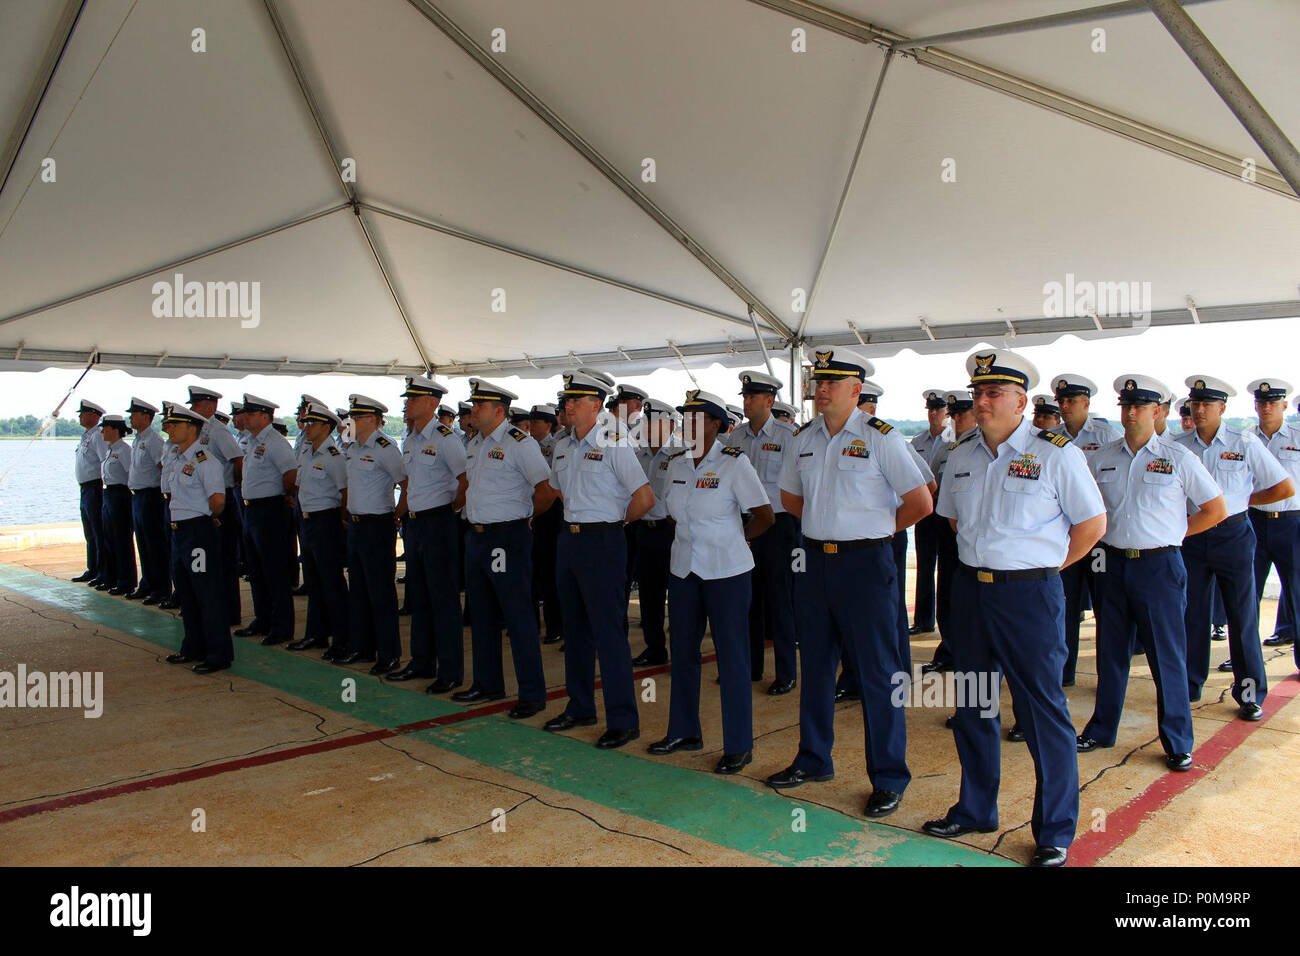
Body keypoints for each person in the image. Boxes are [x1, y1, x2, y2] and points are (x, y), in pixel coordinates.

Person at [924, 349, 1106, 868]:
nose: (982, 401)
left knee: (1041, 712)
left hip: (1029, 597)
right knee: (975, 706)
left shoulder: (1056, 453)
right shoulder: (961, 455)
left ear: (1021, 401)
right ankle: (976, 808)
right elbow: (955, 522)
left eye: (994, 393)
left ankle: (1053, 832)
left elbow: (1092, 527)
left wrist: (1043, 569)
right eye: (978, 392)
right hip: (972, 594)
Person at [767, 348, 930, 822]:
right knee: (816, 665)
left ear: (856, 390)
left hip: (866, 565)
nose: (820, 390)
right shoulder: (803, 439)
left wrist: (874, 530)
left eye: (831, 383)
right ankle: (813, 759)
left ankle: (888, 777)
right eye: (818, 382)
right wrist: (828, 527)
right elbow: (791, 497)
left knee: (879, 674)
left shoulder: (883, 438)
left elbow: (919, 502)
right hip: (816, 563)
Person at [1077, 376, 1225, 771]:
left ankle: (1177, 740)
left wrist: (1175, 535)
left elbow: (1215, 509)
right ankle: (1101, 728)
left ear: (1157, 411)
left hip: (1159, 566)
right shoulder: (1101, 456)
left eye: (1140, 406)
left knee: (1167, 655)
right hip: (1110, 563)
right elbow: (1087, 508)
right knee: (1111, 651)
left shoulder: (1179, 458)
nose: (1130, 412)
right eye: (1125, 405)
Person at [648, 389, 773, 772]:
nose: (686, 424)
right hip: (685, 571)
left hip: (726, 573)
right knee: (682, 652)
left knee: (732, 659)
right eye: (684, 417)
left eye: (695, 418)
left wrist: (735, 539)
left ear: (716, 425)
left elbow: (764, 515)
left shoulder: (734, 463)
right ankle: (684, 731)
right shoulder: (677, 464)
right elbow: (672, 512)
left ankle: (738, 744)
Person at [544, 370, 655, 748]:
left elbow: (644, 498)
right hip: (570, 541)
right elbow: (557, 490)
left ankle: (624, 720)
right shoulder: (563, 444)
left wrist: (611, 524)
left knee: (609, 634)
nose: (567, 405)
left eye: (575, 400)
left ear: (596, 404)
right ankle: (579, 707)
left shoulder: (614, 441)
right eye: (567, 399)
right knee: (575, 631)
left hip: (604, 543)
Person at [1174, 375, 1293, 719]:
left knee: (1242, 617)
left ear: (1222, 408)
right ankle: (1191, 683)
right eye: (1195, 404)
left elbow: (1283, 488)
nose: (1199, 410)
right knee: (1191, 615)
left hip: (1233, 536)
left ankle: (1250, 692)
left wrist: (1240, 501)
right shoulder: (1179, 444)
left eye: (1207, 404)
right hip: (1192, 536)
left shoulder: (1243, 442)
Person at [456, 379, 554, 717]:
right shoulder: (475, 444)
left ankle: (532, 693)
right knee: (481, 612)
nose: (473, 411)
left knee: (516, 614)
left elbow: (547, 488)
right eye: (473, 405)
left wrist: (526, 518)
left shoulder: (519, 444)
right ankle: (487, 684)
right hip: (477, 536)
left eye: (479, 406)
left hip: (505, 539)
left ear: (499, 411)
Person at [390, 376, 468, 693]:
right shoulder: (410, 440)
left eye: (414, 398)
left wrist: (449, 512)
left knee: (444, 599)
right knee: (419, 595)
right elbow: (409, 484)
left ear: (432, 403)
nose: (407, 402)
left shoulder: (446, 439)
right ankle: (421, 662)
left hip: (439, 522)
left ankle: (449, 671)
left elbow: (465, 480)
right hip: (415, 523)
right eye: (407, 398)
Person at [726, 370, 799, 694]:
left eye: (753, 396)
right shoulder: (736, 437)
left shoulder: (788, 436)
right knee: (747, 598)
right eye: (744, 396)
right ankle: (752, 667)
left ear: (769, 401)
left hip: (779, 526)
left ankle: (785, 672)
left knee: (780, 597)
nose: (747, 401)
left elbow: (801, 484)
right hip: (745, 523)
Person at [1050, 374, 1121, 687]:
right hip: (1065, 537)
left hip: (1099, 540)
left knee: (1104, 605)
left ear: (1086, 403)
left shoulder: (1106, 435)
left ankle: (1108, 675)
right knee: (1065, 604)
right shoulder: (1049, 439)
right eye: (1061, 401)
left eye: (1071, 401)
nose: (1065, 407)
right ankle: (1063, 672)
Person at [160, 404, 234, 674]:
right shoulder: (177, 458)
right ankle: (192, 646)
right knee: (187, 593)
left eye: (175, 425)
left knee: (207, 593)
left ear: (192, 428)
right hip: (179, 532)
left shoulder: (206, 460)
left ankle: (218, 654)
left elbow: (217, 501)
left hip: (198, 533)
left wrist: (205, 519)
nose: (169, 429)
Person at [338, 394, 407, 674]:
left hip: (377, 525)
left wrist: (397, 516)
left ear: (372, 420)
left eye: (355, 417)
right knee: (359, 590)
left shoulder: (384, 447)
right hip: (356, 525)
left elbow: (405, 482)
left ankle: (388, 653)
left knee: (380, 592)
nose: (350, 421)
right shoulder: (353, 448)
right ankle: (362, 647)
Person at [921, 389, 978, 677]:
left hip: (974, 534)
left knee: (970, 602)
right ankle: (950, 650)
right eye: (952, 414)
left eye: (961, 414)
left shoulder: (986, 446)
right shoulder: (948, 447)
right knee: (946, 594)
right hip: (947, 527)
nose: (954, 420)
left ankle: (963, 652)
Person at [234, 395, 298, 647]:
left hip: (271, 510)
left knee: (274, 571)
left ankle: (282, 626)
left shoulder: (275, 442)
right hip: (252, 511)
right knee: (257, 570)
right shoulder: (251, 441)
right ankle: (263, 619)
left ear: (264, 416)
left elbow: (291, 475)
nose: (245, 417)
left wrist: (284, 496)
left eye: (250, 413)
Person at [288, 404, 351, 657]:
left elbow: (344, 492)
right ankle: (316, 634)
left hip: (326, 521)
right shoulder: (307, 453)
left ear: (326, 426)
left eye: (312, 423)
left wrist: (341, 521)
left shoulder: (333, 456)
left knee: (331, 582)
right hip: (308, 520)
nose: (307, 427)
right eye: (306, 422)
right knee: (313, 581)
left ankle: (342, 638)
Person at [1246, 379, 1300, 650]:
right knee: (1246, 594)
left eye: (1272, 402)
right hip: (1254, 522)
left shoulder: (1297, 437)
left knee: (1298, 592)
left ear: (1284, 405)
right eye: (1261, 403)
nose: (1266, 407)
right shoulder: (1246, 440)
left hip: (1292, 523)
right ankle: (1244, 657)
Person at [187, 386, 245, 629]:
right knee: (207, 559)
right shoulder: (199, 431)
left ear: (210, 407)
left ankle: (230, 612)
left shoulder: (218, 431)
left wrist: (233, 486)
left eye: (196, 405)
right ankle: (212, 608)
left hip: (222, 500)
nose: (192, 409)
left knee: (224, 559)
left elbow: (237, 459)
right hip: (205, 502)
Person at [632, 399, 679, 667]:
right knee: (650, 596)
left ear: (670, 425)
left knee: (679, 598)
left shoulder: (681, 453)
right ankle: (655, 649)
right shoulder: (639, 455)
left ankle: (681, 653)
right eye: (646, 422)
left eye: (655, 422)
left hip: (671, 532)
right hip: (646, 531)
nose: (649, 428)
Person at [910, 388, 951, 635]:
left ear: (947, 412)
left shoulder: (956, 440)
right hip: (925, 512)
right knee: (925, 566)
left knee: (945, 569)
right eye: (931, 409)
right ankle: (923, 620)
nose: (933, 413)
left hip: (947, 513)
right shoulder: (917, 442)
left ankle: (947, 622)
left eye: (938, 409)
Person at [126, 398, 168, 603]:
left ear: (146, 417)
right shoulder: (138, 439)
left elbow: (163, 469)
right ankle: (148, 583)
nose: (130, 418)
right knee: (143, 543)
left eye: (134, 414)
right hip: (138, 496)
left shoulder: (154, 441)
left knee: (154, 544)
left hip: (151, 497)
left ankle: (160, 588)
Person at [529, 404, 564, 646]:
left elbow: (552, 489)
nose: (531, 426)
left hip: (551, 514)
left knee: (551, 573)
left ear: (548, 425)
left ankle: (555, 627)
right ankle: (534, 624)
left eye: (537, 422)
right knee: (535, 571)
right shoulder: (527, 446)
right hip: (534, 514)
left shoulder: (556, 447)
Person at [97, 414, 138, 595]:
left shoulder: (124, 450)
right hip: (108, 493)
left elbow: (132, 474)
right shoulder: (109, 449)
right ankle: (110, 577)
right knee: (109, 538)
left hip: (121, 495)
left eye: (105, 428)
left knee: (122, 539)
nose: (102, 431)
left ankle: (126, 580)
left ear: (114, 430)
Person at [72, 400, 108, 586]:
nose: (80, 416)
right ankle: (92, 568)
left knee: (98, 530)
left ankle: (102, 570)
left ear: (94, 415)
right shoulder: (86, 436)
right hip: (85, 488)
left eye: (83, 413)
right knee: (89, 532)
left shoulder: (98, 436)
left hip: (95, 487)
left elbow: (105, 462)